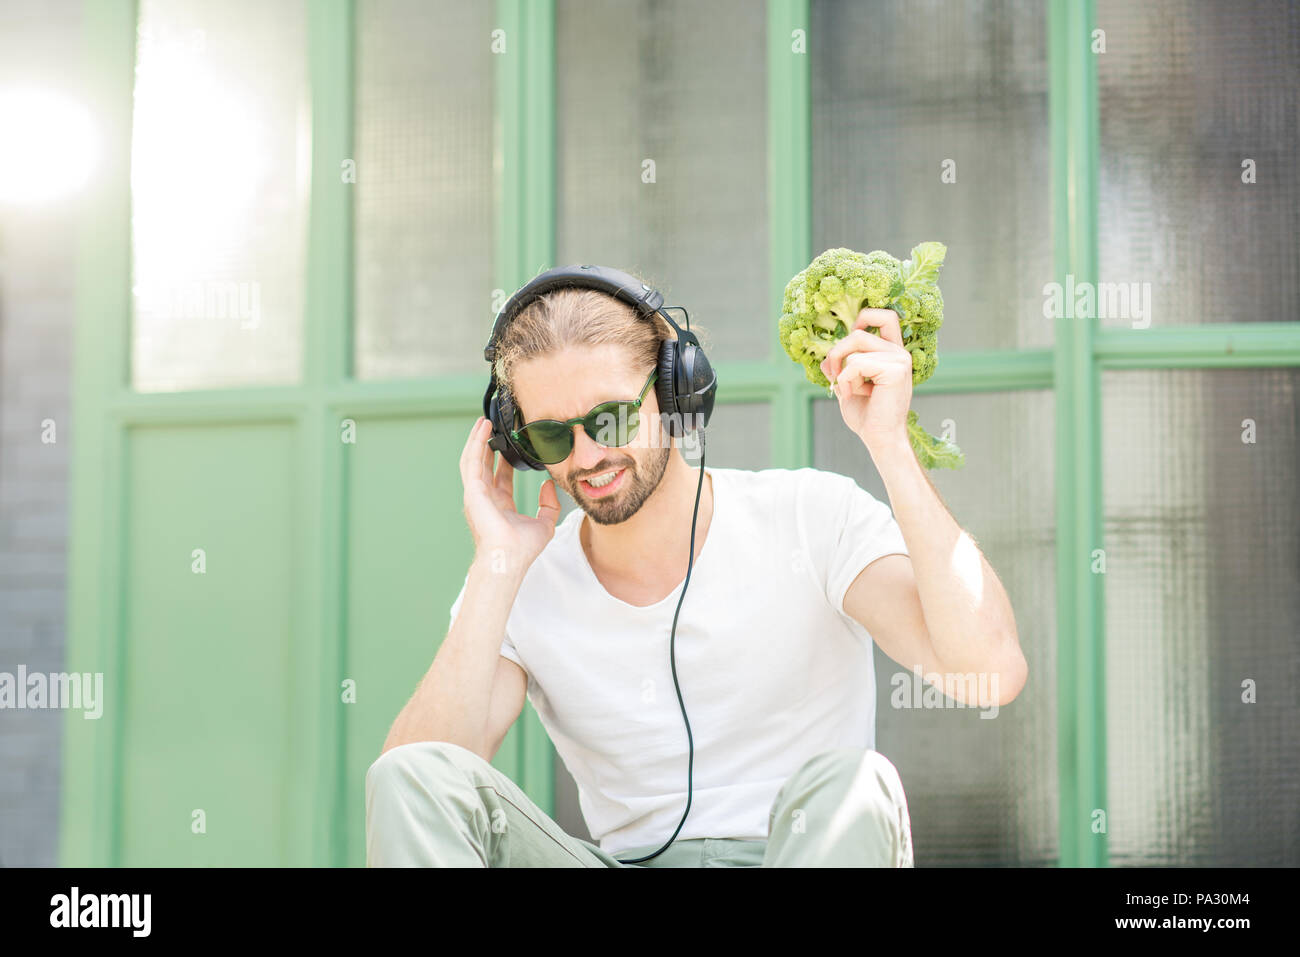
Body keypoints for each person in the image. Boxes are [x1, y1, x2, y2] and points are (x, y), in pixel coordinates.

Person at [365, 282, 1026, 867]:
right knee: (413, 773)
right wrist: (496, 562)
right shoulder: (521, 581)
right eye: (553, 437)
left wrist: (891, 446)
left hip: (801, 853)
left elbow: (990, 670)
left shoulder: (808, 516)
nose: (588, 457)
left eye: (611, 418)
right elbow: (418, 776)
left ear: (677, 389)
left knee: (855, 782)